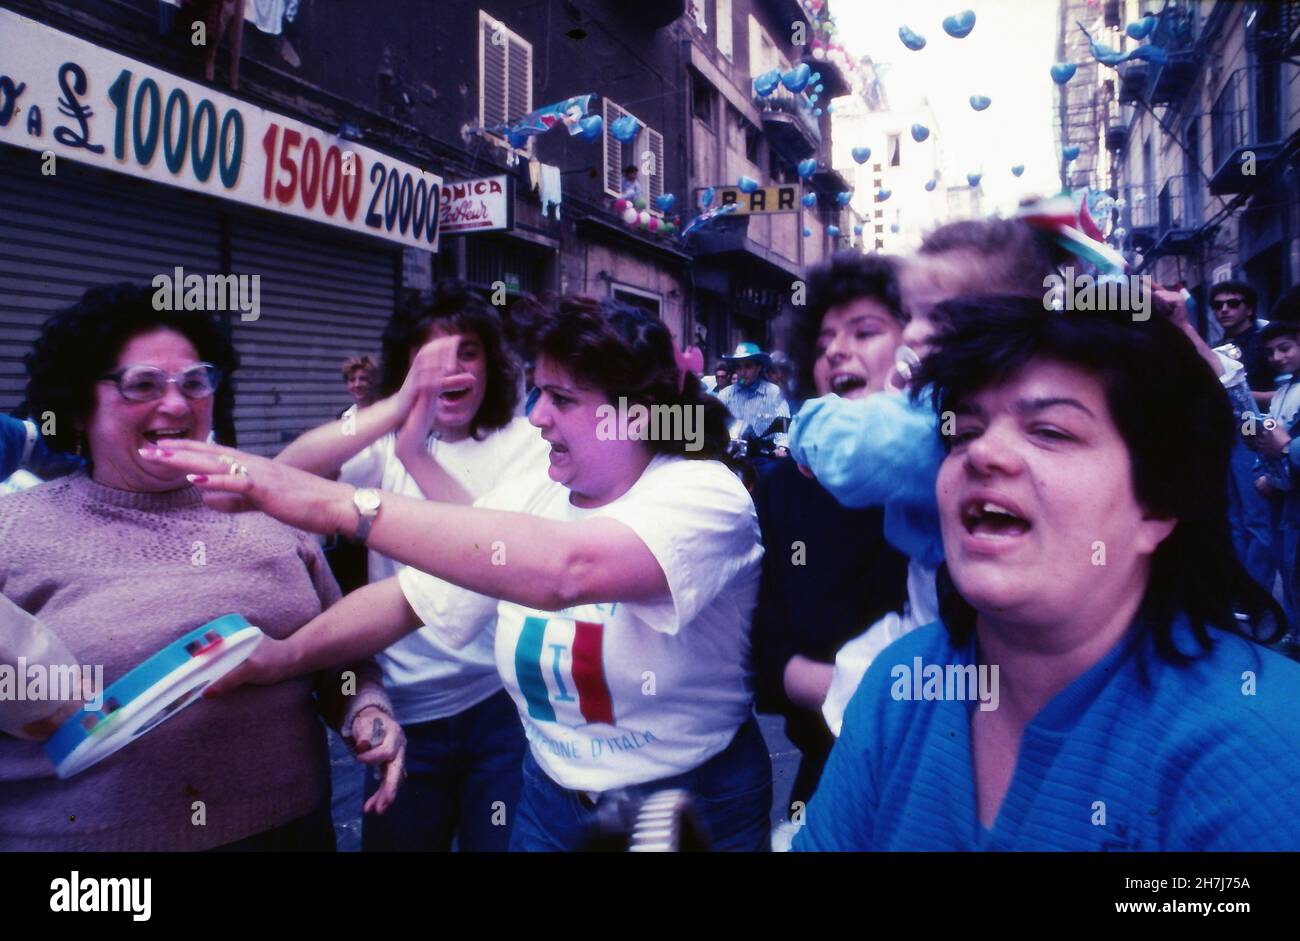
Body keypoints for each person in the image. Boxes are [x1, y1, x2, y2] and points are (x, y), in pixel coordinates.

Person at [143, 296, 774, 852]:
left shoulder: (705, 493)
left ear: (633, 414)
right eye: (537, 393)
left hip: (687, 802)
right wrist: (280, 658)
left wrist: (329, 503)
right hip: (551, 799)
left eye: (561, 399)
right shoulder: (538, 480)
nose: (537, 418)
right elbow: (414, 595)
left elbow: (566, 569)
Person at [795, 296, 1300, 851]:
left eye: (1051, 432)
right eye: (963, 432)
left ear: (1158, 505)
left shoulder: (1260, 746)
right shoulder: (901, 686)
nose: (984, 453)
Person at [0, 283, 402, 851]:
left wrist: (366, 711)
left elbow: (339, 654)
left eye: (194, 382)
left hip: (288, 832)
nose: (175, 405)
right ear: (78, 403)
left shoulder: (269, 508)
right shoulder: (13, 528)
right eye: (141, 384)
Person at [276, 281, 548, 852]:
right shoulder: (381, 433)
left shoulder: (528, 442)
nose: (450, 370)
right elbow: (286, 471)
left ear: (492, 361)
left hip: (499, 709)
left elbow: (491, 554)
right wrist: (396, 413)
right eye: (429, 356)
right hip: (402, 713)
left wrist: (416, 457)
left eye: (467, 352)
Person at [751, 253, 909, 818]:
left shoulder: (967, 473)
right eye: (821, 345)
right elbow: (767, 658)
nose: (837, 351)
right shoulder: (783, 491)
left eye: (865, 332)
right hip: (827, 780)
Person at [1210, 279, 1276, 591]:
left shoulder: (1267, 343)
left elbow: (1289, 389)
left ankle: (1258, 593)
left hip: (1255, 431)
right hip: (1225, 434)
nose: (1224, 309)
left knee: (1257, 518)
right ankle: (1241, 589)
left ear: (1248, 308)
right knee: (1234, 518)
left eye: (1232, 303)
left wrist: (1245, 394)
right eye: (1218, 304)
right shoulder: (1217, 346)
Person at [1254, 321, 1300, 647]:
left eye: (1285, 348)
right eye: (1270, 352)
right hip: (1286, 496)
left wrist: (1285, 447)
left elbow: (1285, 440)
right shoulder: (1284, 391)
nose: (1277, 357)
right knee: (1289, 566)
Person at [717, 342, 790, 439]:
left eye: (748, 366)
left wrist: (781, 447)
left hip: (764, 452)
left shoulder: (774, 393)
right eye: (739, 367)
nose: (742, 372)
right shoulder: (725, 395)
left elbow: (784, 428)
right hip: (732, 451)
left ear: (758, 367)